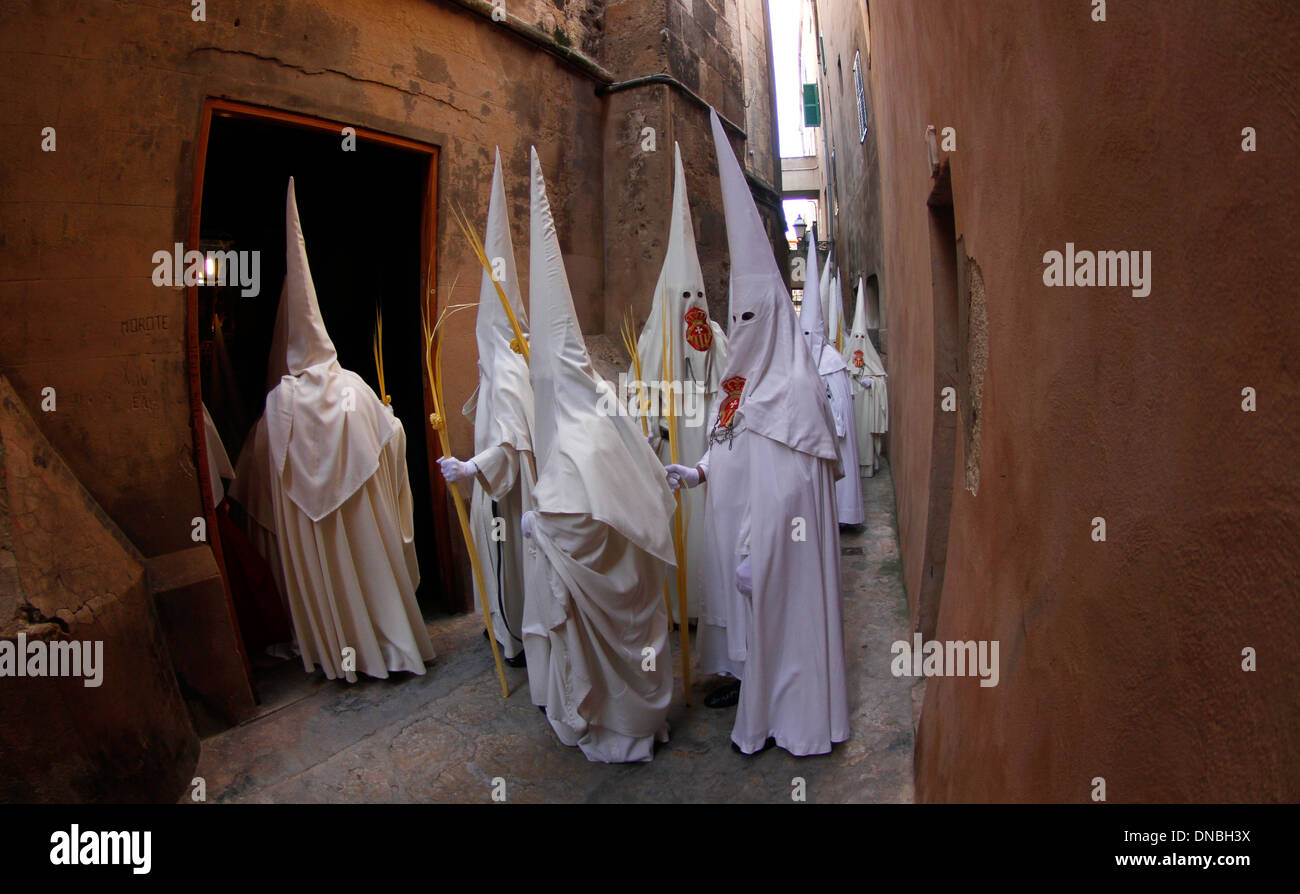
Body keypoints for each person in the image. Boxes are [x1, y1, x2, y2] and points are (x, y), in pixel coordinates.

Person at [665, 111, 850, 756]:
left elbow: (797, 490)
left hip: (777, 555)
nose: (738, 327)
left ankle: (794, 712)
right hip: (746, 546)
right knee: (751, 625)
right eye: (733, 315)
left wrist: (764, 549)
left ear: (770, 316)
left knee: (784, 628)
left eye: (749, 316)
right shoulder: (743, 378)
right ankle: (747, 682)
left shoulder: (795, 392)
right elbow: (730, 445)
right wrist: (698, 473)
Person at [520, 148, 677, 762]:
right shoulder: (606, 414)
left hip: (612, 590)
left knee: (614, 665)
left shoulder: (577, 440)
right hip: (631, 588)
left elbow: (579, 523)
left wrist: (540, 524)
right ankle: (643, 722)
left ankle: (620, 732)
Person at [257, 177, 435, 682]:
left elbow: (277, 484)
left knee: (331, 574)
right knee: (369, 569)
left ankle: (342, 652)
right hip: (362, 525)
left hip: (314, 533)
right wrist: (393, 423)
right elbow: (391, 443)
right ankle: (391, 642)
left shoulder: (277, 405)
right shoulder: (354, 389)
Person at [437, 149, 537, 673]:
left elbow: (511, 442)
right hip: (507, 497)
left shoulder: (508, 367)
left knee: (508, 566)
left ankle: (514, 637)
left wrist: (470, 467)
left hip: (508, 499)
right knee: (506, 566)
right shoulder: (514, 360)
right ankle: (506, 627)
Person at [625, 142, 728, 626]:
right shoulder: (650, 342)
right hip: (666, 458)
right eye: (682, 296)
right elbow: (634, 398)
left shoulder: (721, 343)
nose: (691, 305)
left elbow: (733, 398)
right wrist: (645, 436)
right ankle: (672, 609)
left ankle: (708, 609)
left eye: (698, 297)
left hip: (707, 462)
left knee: (707, 532)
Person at [800, 239, 865, 526]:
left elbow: (838, 406)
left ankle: (845, 515)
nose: (806, 343)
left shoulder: (832, 363)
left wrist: (832, 424)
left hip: (833, 436)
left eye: (809, 336)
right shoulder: (801, 360)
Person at [844, 277, 889, 476]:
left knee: (865, 437)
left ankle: (869, 466)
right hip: (853, 408)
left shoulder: (873, 359)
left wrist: (874, 383)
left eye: (863, 337)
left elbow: (881, 379)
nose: (860, 341)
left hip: (868, 408)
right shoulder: (844, 361)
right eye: (856, 337)